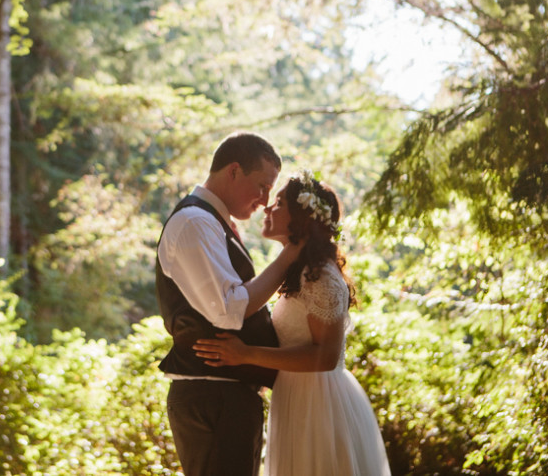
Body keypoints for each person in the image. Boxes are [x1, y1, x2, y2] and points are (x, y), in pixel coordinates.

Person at [194, 170, 391, 476]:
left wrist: (245, 354)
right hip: (296, 398)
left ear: (303, 217)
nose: (267, 208)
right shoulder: (298, 272)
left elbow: (325, 357)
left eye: (279, 203)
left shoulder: (321, 278)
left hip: (319, 406)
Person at [156, 132, 301, 476]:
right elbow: (228, 310)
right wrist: (289, 257)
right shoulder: (196, 222)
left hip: (225, 398)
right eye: (262, 185)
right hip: (213, 399)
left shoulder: (213, 221)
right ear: (234, 171)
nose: (265, 200)